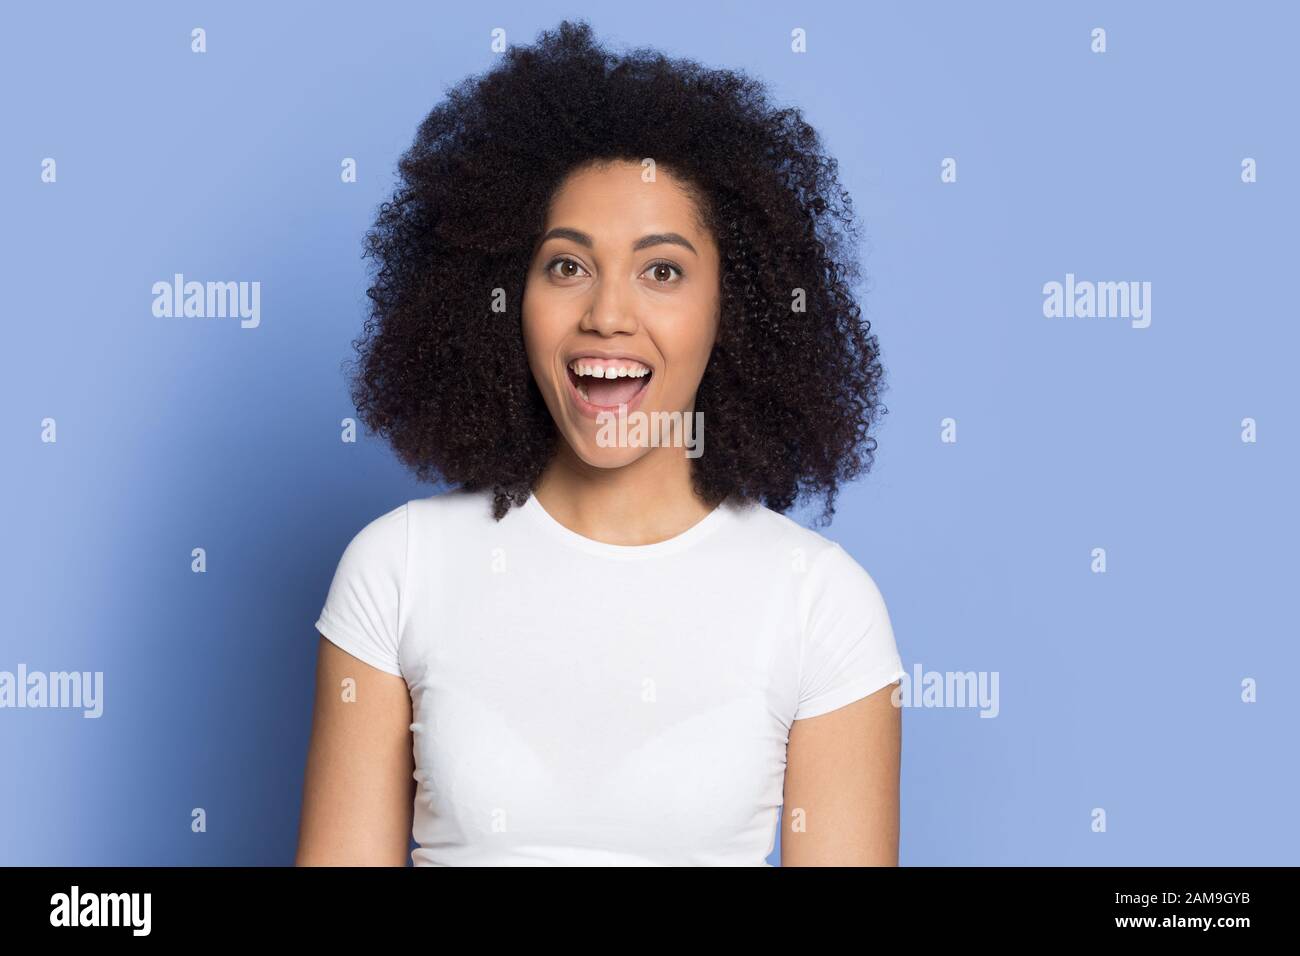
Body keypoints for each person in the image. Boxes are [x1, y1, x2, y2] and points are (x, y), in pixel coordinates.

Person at [296, 19, 904, 866]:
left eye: (663, 270)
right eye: (567, 266)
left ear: (738, 309)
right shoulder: (398, 571)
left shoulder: (818, 604)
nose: (608, 314)